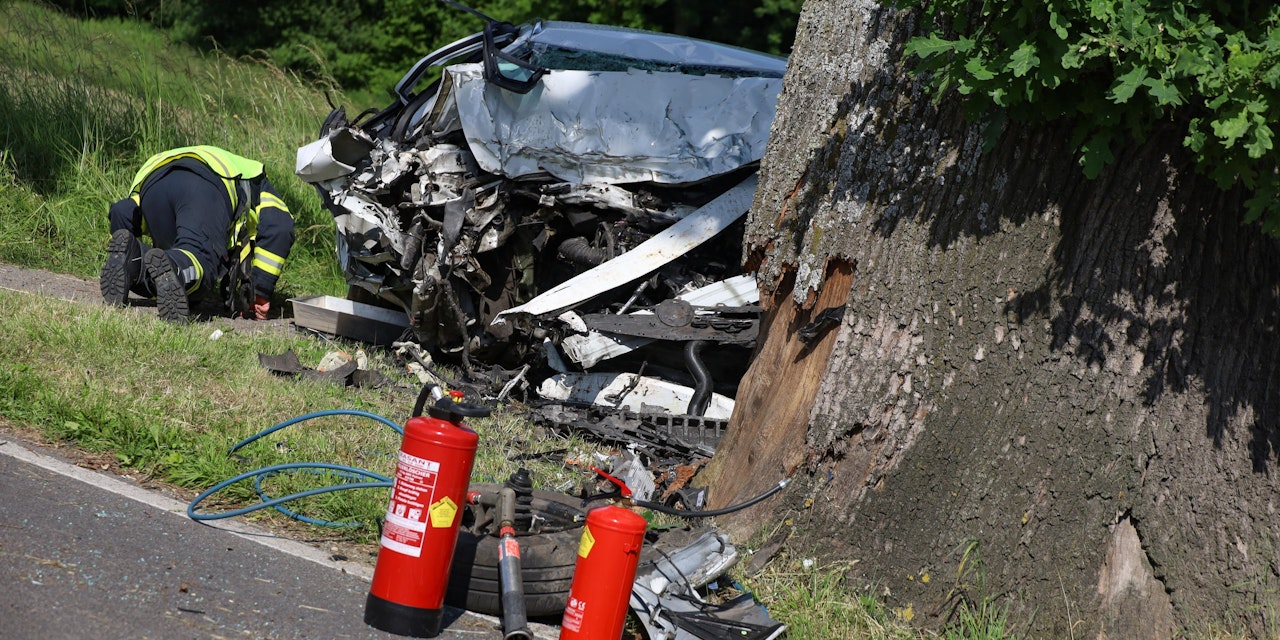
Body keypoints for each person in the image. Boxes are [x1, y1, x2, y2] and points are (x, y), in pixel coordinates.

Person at [99, 146, 295, 322]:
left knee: (178, 277)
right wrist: (261, 292)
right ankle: (179, 268)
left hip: (152, 181)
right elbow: (280, 227)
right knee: (199, 259)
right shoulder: (258, 180)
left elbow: (124, 210)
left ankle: (132, 261)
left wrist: (122, 238)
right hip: (207, 183)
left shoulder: (207, 157)